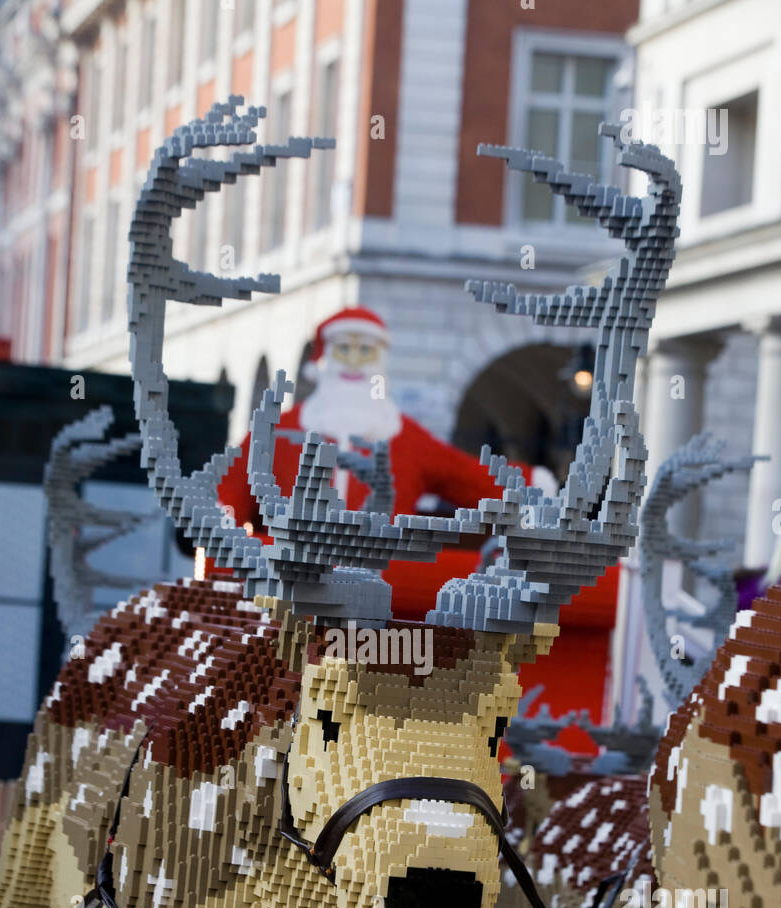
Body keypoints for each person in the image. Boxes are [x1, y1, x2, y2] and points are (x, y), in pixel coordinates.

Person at [216, 307, 617, 748]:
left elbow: (469, 478)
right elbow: (229, 498)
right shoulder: (276, 433)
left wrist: (533, 487)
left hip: (378, 610)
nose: (353, 361)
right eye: (344, 349)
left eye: (365, 350)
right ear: (322, 358)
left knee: (366, 707)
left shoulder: (403, 438)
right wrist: (231, 535)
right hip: (279, 603)